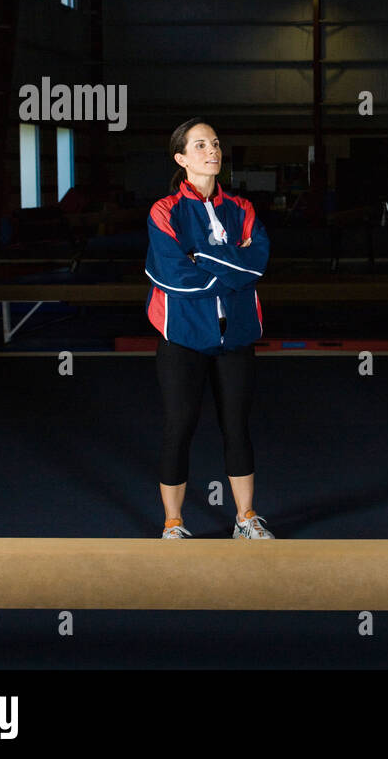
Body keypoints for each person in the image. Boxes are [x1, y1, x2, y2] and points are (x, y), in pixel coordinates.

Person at [144, 119, 273, 540]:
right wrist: (227, 265)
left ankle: (246, 517)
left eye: (215, 143)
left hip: (235, 337)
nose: (212, 151)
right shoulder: (164, 212)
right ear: (181, 158)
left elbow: (256, 264)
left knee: (237, 426)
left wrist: (203, 257)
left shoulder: (242, 210)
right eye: (200, 145)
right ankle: (174, 523)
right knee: (178, 426)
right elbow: (174, 276)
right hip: (183, 337)